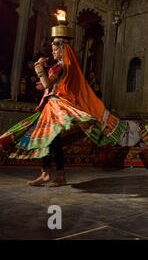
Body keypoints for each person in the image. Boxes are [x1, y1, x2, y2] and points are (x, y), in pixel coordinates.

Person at [0, 17, 140, 187]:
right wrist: (45, 83)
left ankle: (56, 175)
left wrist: (38, 68)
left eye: (55, 49)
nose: (53, 52)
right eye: (52, 49)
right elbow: (53, 86)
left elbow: (47, 84)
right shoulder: (64, 66)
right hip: (51, 107)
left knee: (50, 140)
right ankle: (48, 174)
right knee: (48, 140)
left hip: (57, 108)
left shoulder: (59, 67)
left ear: (63, 49)